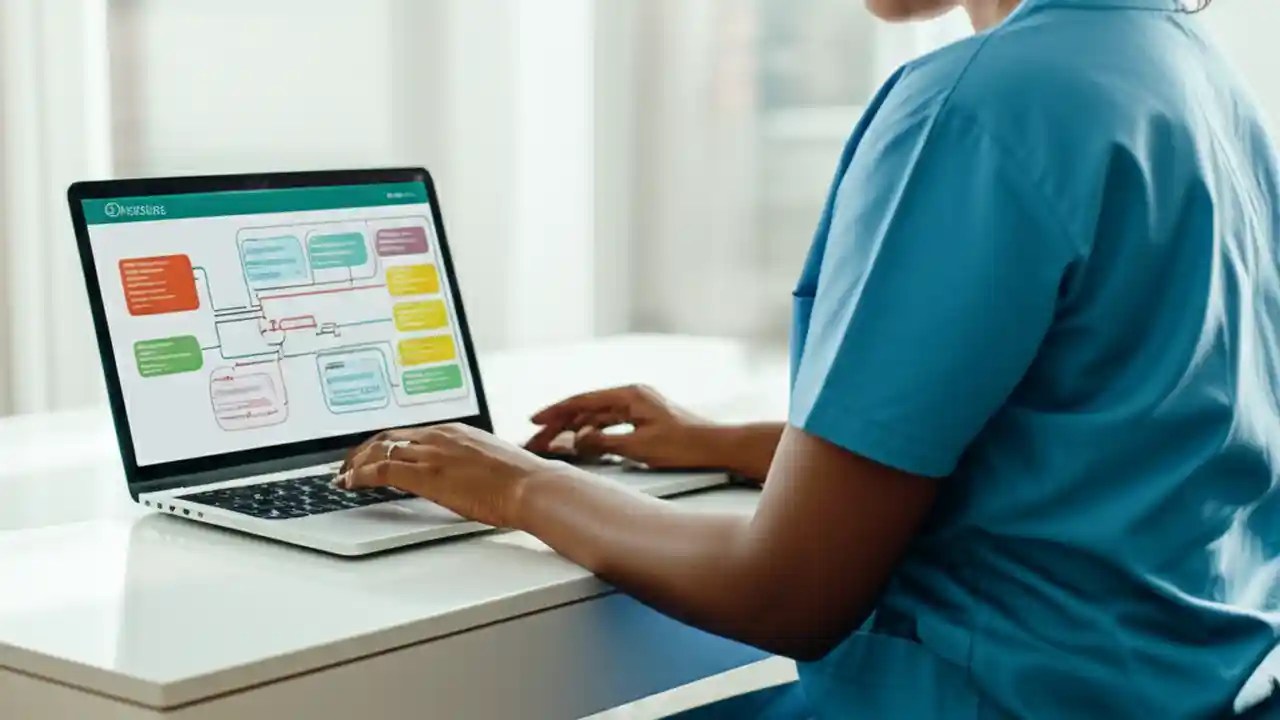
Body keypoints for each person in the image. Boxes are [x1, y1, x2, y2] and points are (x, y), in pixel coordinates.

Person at [339, 0, 1280, 716]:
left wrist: (509, 482)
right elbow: (1093, 431)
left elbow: (788, 590)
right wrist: (734, 443)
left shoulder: (983, 103)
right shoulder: (1185, 71)